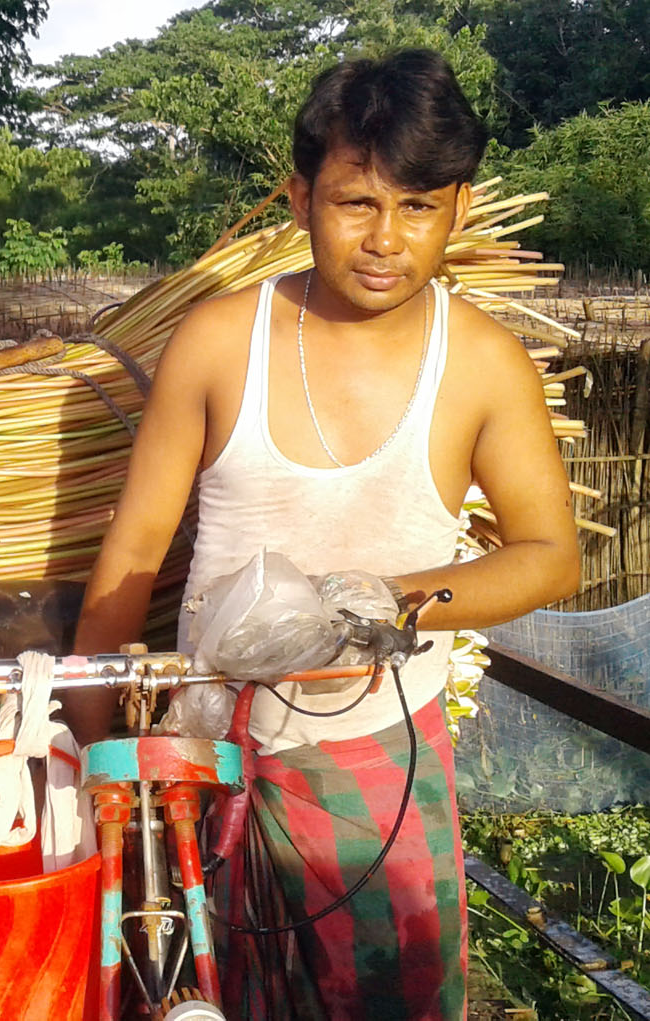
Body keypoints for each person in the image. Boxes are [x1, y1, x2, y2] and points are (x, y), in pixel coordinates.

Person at [64, 50, 579, 1019]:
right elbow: (133, 552)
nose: (386, 240)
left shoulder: (481, 363)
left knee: (392, 998)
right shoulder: (221, 341)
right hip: (208, 749)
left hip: (378, 753)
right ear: (300, 198)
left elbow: (548, 553)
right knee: (202, 994)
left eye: (418, 207)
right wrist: (102, 769)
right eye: (357, 204)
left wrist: (392, 598)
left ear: (458, 208)